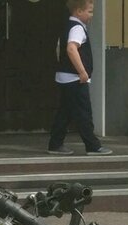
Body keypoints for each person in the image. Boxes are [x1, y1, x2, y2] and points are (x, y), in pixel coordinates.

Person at [47, 0, 111, 156]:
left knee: (65, 112)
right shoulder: (77, 28)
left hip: (65, 76)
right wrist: (82, 72)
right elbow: (71, 49)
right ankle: (92, 145)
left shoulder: (67, 26)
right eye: (89, 11)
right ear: (78, 11)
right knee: (84, 112)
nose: (92, 15)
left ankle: (55, 143)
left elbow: (59, 49)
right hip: (75, 78)